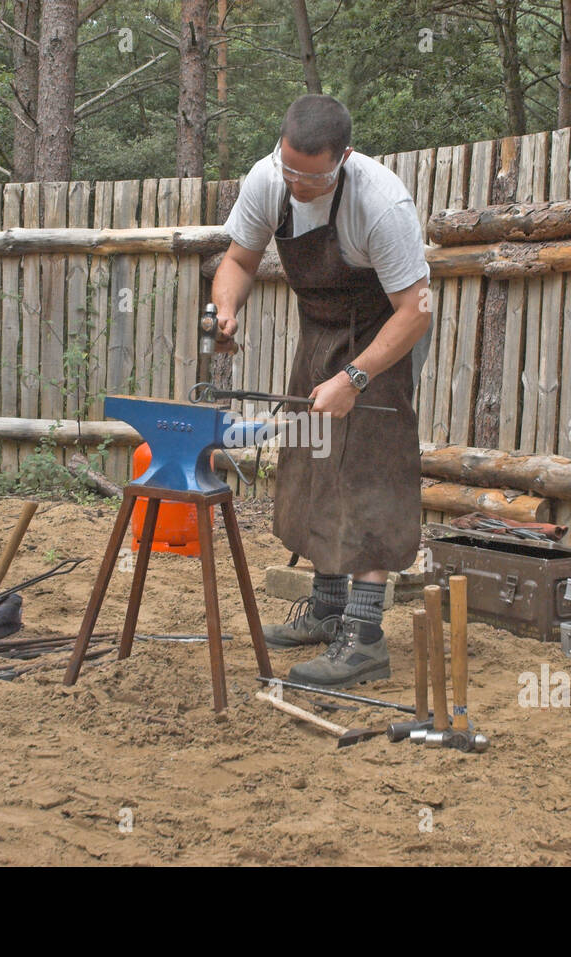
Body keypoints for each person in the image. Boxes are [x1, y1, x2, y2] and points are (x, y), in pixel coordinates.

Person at [210, 94, 432, 688]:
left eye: (315, 176)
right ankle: (328, 611)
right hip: (318, 332)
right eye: (290, 169)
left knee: (367, 474)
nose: (299, 184)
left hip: (383, 336)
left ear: (345, 158)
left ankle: (364, 639)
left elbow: (415, 312)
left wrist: (356, 377)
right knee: (312, 465)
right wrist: (226, 310)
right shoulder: (268, 181)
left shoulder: (381, 204)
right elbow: (238, 258)